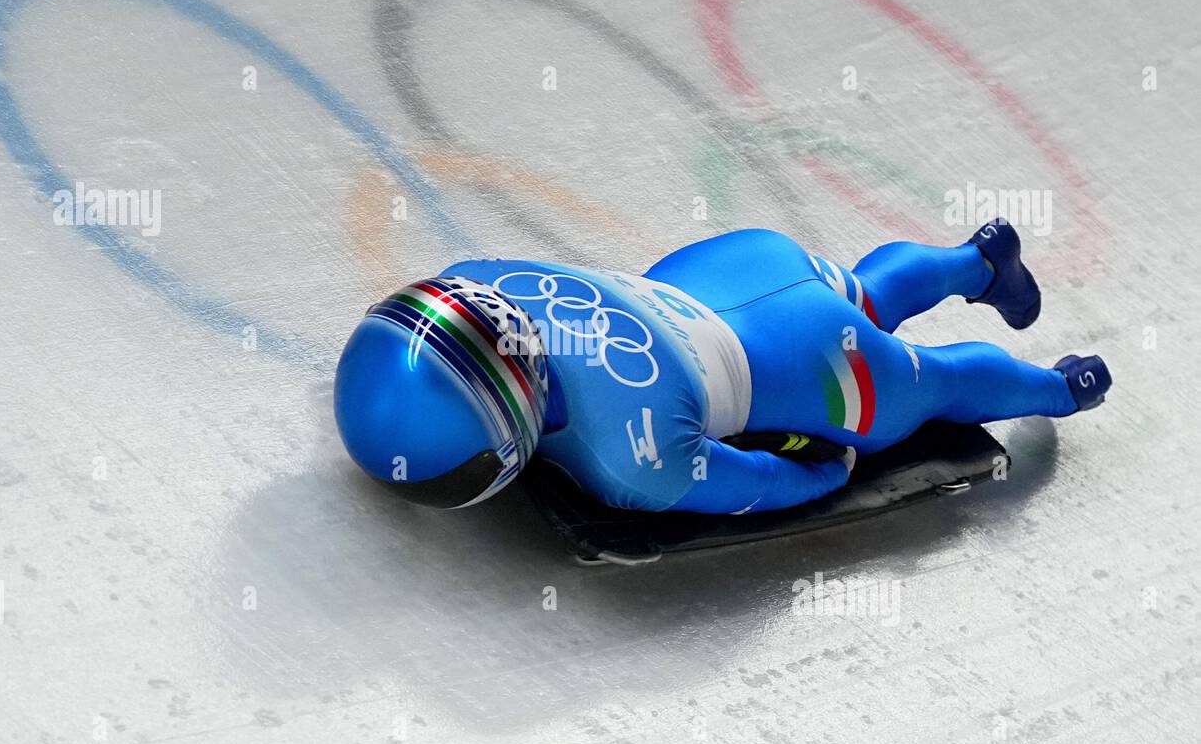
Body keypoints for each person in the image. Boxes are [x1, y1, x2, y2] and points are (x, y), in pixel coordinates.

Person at [334, 220, 1110, 513]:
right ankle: (974, 260)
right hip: (730, 266)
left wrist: (827, 474)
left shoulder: (630, 463)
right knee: (866, 291)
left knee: (934, 383)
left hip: (817, 368)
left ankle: (1058, 388)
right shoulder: (483, 273)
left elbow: (765, 484)